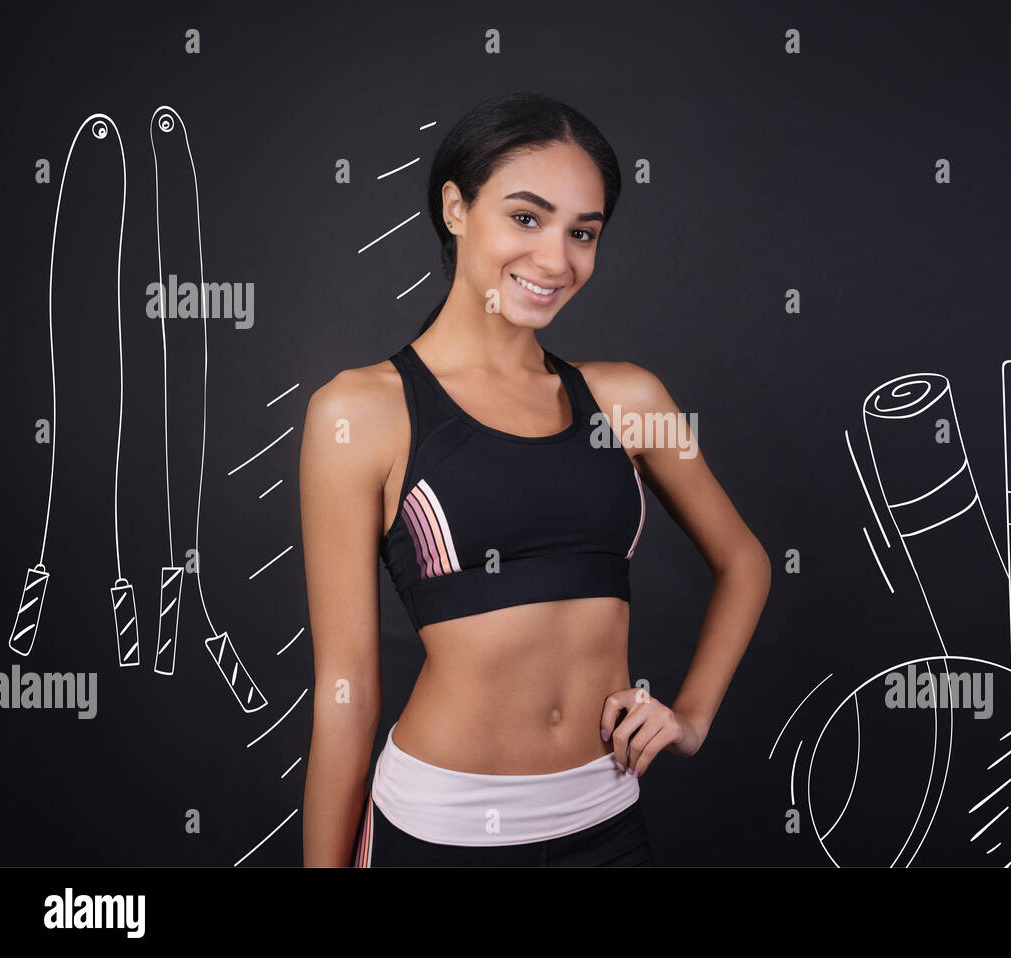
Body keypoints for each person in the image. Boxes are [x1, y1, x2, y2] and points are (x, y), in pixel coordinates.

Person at [299, 91, 771, 867]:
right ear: (455, 207)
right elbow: (344, 693)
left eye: (582, 233)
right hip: (443, 834)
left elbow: (745, 561)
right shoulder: (361, 413)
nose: (557, 259)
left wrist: (689, 717)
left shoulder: (627, 401)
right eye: (527, 217)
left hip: (606, 821)